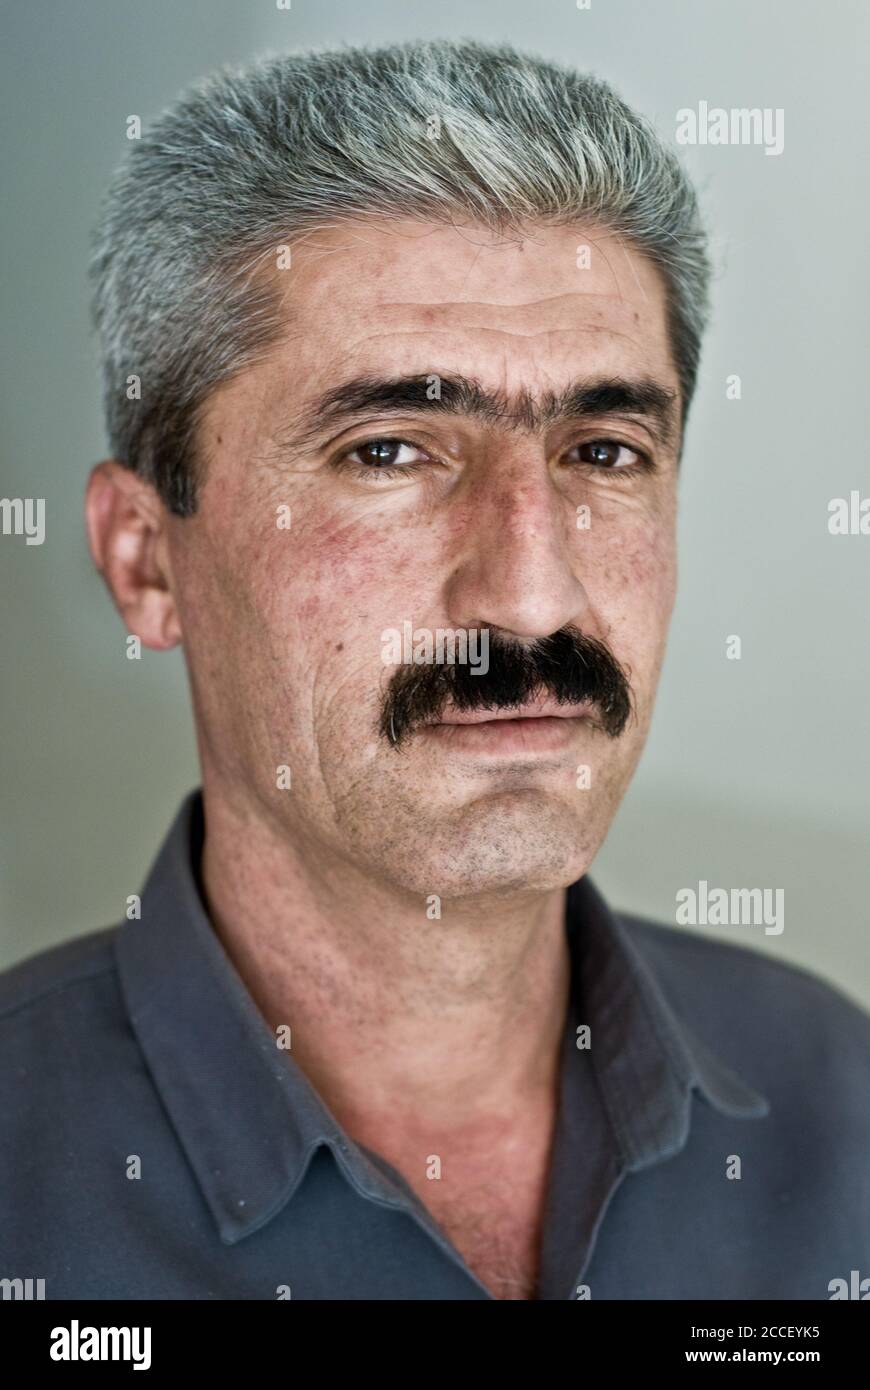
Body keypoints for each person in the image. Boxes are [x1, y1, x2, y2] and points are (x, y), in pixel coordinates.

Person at [1, 39, 868, 1302]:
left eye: (605, 451)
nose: (532, 593)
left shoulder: (839, 1109)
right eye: (392, 450)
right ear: (147, 561)